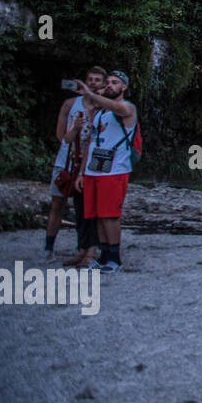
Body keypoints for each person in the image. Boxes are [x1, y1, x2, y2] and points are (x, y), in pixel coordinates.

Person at [73, 71, 136, 273]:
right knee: (98, 215)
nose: (109, 85)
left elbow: (117, 107)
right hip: (94, 171)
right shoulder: (100, 113)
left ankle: (114, 258)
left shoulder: (127, 108)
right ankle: (103, 255)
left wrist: (90, 95)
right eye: (107, 82)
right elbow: (91, 143)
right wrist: (82, 173)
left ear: (123, 87)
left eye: (115, 83)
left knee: (110, 216)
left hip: (115, 171)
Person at [44, 66, 105, 261]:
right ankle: (48, 247)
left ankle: (85, 247)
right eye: (90, 79)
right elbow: (60, 134)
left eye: (97, 80)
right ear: (84, 82)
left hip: (88, 165)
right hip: (65, 161)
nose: (93, 83)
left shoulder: (104, 107)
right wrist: (71, 140)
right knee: (57, 204)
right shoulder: (70, 104)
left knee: (86, 207)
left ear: (103, 85)